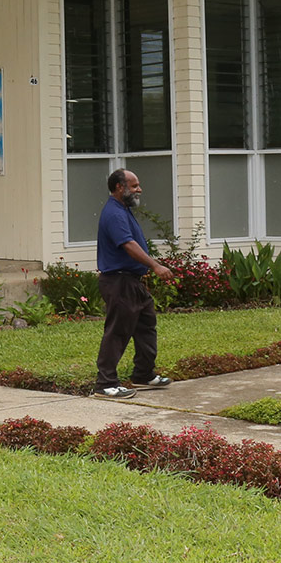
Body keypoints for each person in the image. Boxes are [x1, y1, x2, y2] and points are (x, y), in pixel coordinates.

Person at [94, 168, 173, 398]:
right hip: (119, 281)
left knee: (146, 325)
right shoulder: (114, 213)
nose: (140, 189)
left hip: (131, 282)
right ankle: (105, 384)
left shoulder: (123, 210)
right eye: (135, 185)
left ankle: (143, 375)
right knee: (117, 332)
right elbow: (128, 245)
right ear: (120, 187)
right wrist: (155, 266)